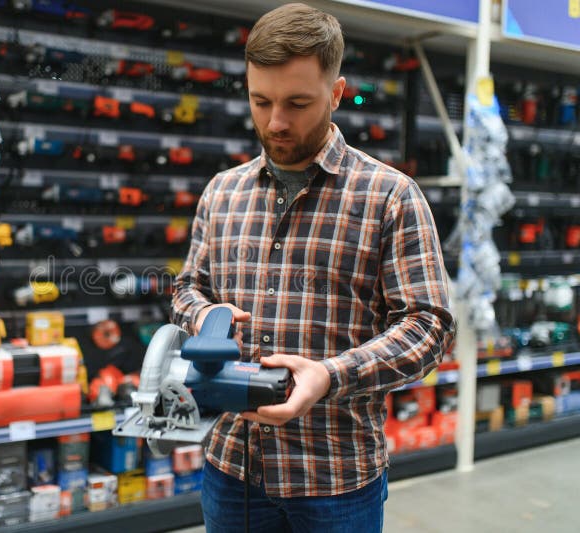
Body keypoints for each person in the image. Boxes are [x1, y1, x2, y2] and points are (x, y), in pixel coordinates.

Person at [171, 3, 455, 532]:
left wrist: (330, 375)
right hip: (231, 469)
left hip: (335, 480)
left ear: (337, 93)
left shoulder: (389, 197)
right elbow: (187, 287)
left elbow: (429, 326)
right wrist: (206, 318)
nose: (275, 122)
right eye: (261, 101)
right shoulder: (222, 193)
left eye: (298, 103)